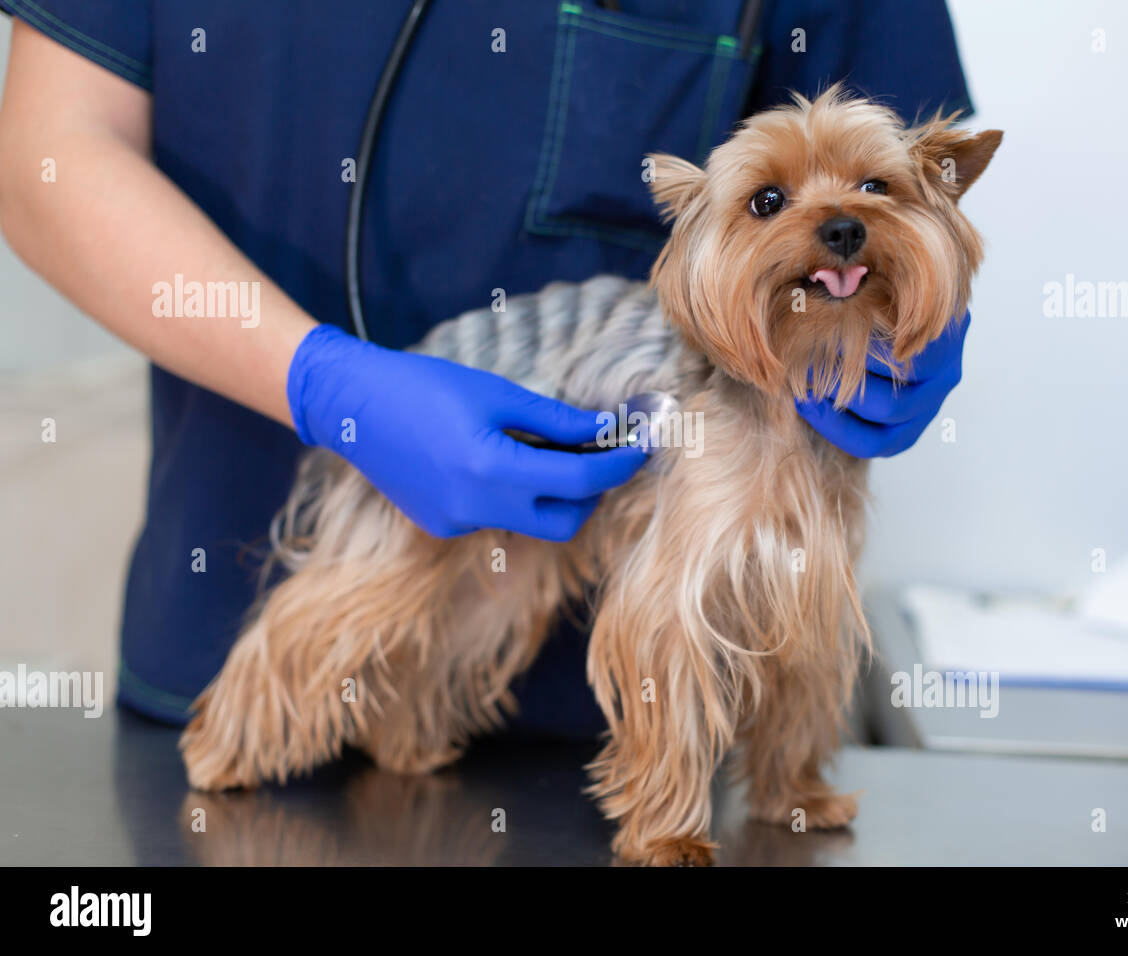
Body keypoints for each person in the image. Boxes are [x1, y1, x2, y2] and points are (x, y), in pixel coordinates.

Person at [0, 0, 975, 737]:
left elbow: (909, 172)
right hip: (220, 614)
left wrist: (908, 318)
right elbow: (48, 155)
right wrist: (319, 383)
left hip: (601, 742)